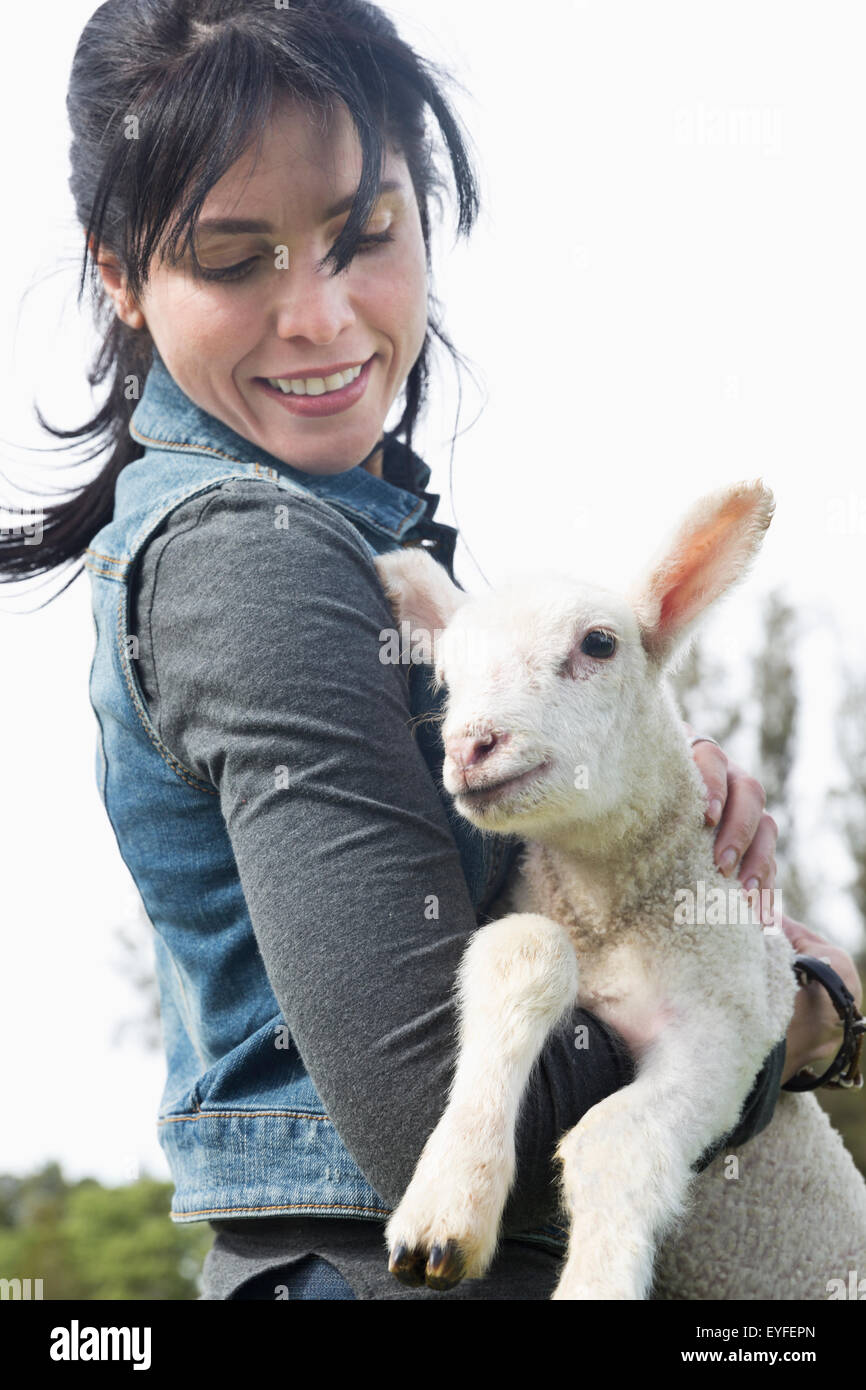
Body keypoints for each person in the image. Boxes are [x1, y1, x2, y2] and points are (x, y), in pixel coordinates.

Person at [1, 0, 860, 1301]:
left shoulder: (363, 547)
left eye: (366, 235)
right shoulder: (252, 558)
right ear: (117, 271)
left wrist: (633, 803)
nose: (322, 317)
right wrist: (793, 1010)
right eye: (235, 260)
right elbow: (439, 1113)